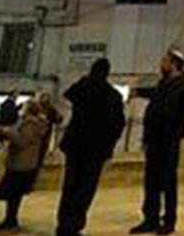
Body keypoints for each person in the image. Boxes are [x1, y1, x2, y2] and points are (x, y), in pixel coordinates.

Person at [56, 58, 125, 236]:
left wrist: (84, 80)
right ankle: (75, 224)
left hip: (76, 145)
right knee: (86, 188)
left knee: (70, 185)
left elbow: (68, 94)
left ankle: (63, 224)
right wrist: (109, 144)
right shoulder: (112, 95)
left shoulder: (83, 88)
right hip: (96, 149)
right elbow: (119, 124)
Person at [129, 50, 184, 236]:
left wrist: (173, 134)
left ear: (173, 64)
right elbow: (155, 94)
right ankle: (150, 218)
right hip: (154, 140)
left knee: (168, 182)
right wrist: (137, 92)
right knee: (151, 181)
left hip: (168, 142)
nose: (161, 64)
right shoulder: (164, 82)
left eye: (164, 61)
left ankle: (169, 220)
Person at [0, 100, 51, 230]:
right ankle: (10, 219)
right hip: (27, 162)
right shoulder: (37, 123)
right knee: (15, 194)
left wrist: (8, 133)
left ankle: (10, 220)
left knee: (13, 194)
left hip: (20, 162)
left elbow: (22, 141)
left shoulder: (30, 123)